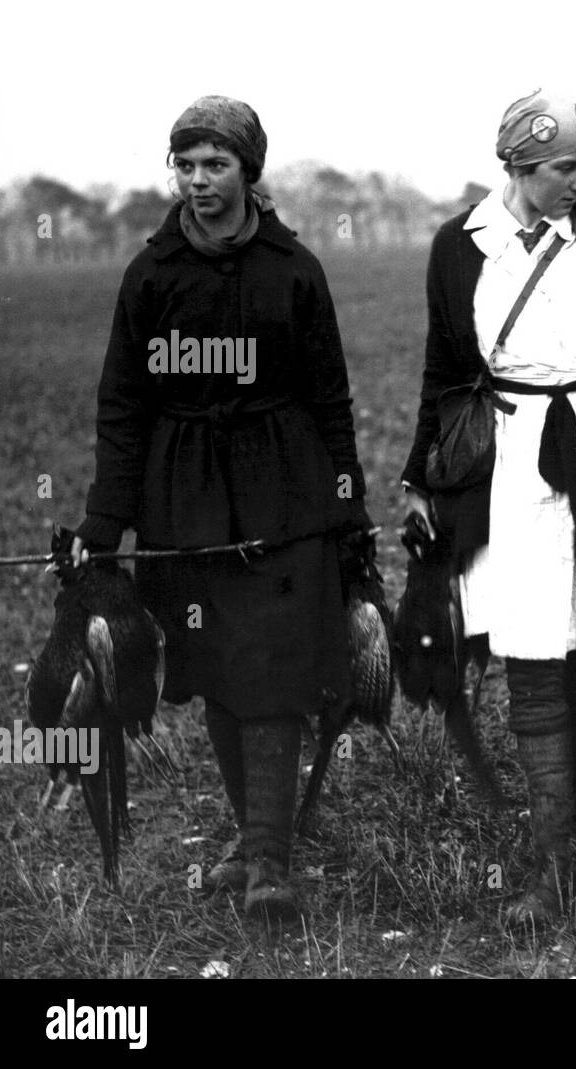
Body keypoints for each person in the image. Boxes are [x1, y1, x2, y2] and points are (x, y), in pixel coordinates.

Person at [72, 96, 370, 922]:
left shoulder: (294, 269)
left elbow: (331, 397)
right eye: (186, 165)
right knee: (215, 669)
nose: (199, 180)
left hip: (284, 488)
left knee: (273, 667)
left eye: (216, 164)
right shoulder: (151, 275)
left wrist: (348, 503)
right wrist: (104, 520)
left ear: (249, 170)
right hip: (184, 497)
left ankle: (270, 858)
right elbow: (123, 406)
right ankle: (252, 839)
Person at [400, 91, 576, 927]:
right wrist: (419, 476)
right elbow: (443, 371)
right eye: (566, 166)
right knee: (531, 650)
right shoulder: (459, 246)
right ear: (518, 166)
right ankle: (552, 858)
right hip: (506, 467)